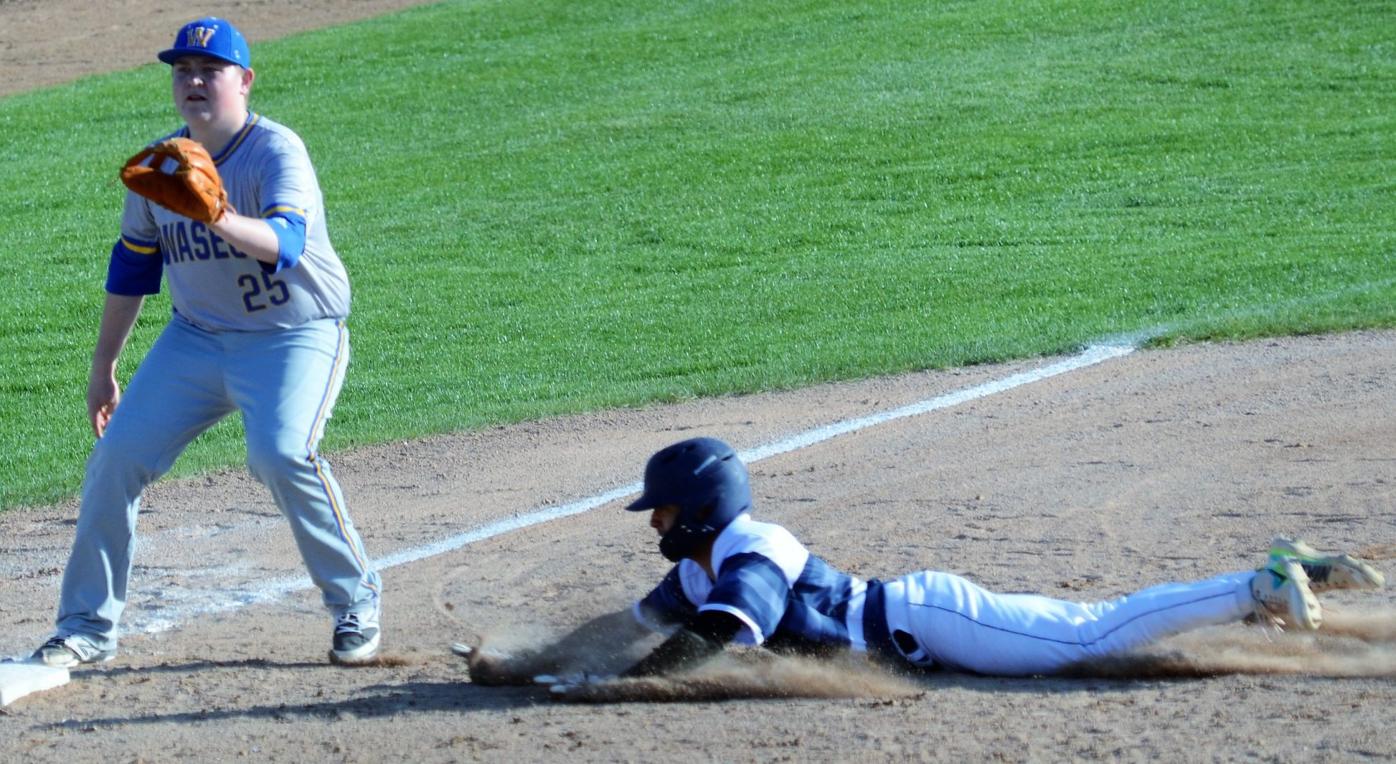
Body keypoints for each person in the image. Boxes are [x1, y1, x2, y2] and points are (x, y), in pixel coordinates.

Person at [463, 437, 1384, 687]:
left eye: (662, 507)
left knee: (1085, 637)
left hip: (931, 619)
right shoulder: (699, 568)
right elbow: (631, 624)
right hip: (917, 625)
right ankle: (1263, 586)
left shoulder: (749, 556)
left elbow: (707, 642)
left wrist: (622, 689)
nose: (655, 521)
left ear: (697, 507)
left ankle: (1258, 581)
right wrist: (532, 661)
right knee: (1087, 632)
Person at [32, 17, 381, 668]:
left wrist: (216, 214)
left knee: (281, 454)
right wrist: (104, 366)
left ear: (243, 81)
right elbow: (132, 270)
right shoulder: (159, 167)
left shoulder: (276, 151)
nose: (193, 81)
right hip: (195, 340)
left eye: (209, 70)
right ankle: (85, 627)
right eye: (183, 71)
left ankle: (355, 602)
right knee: (115, 459)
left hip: (292, 336)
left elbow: (286, 243)